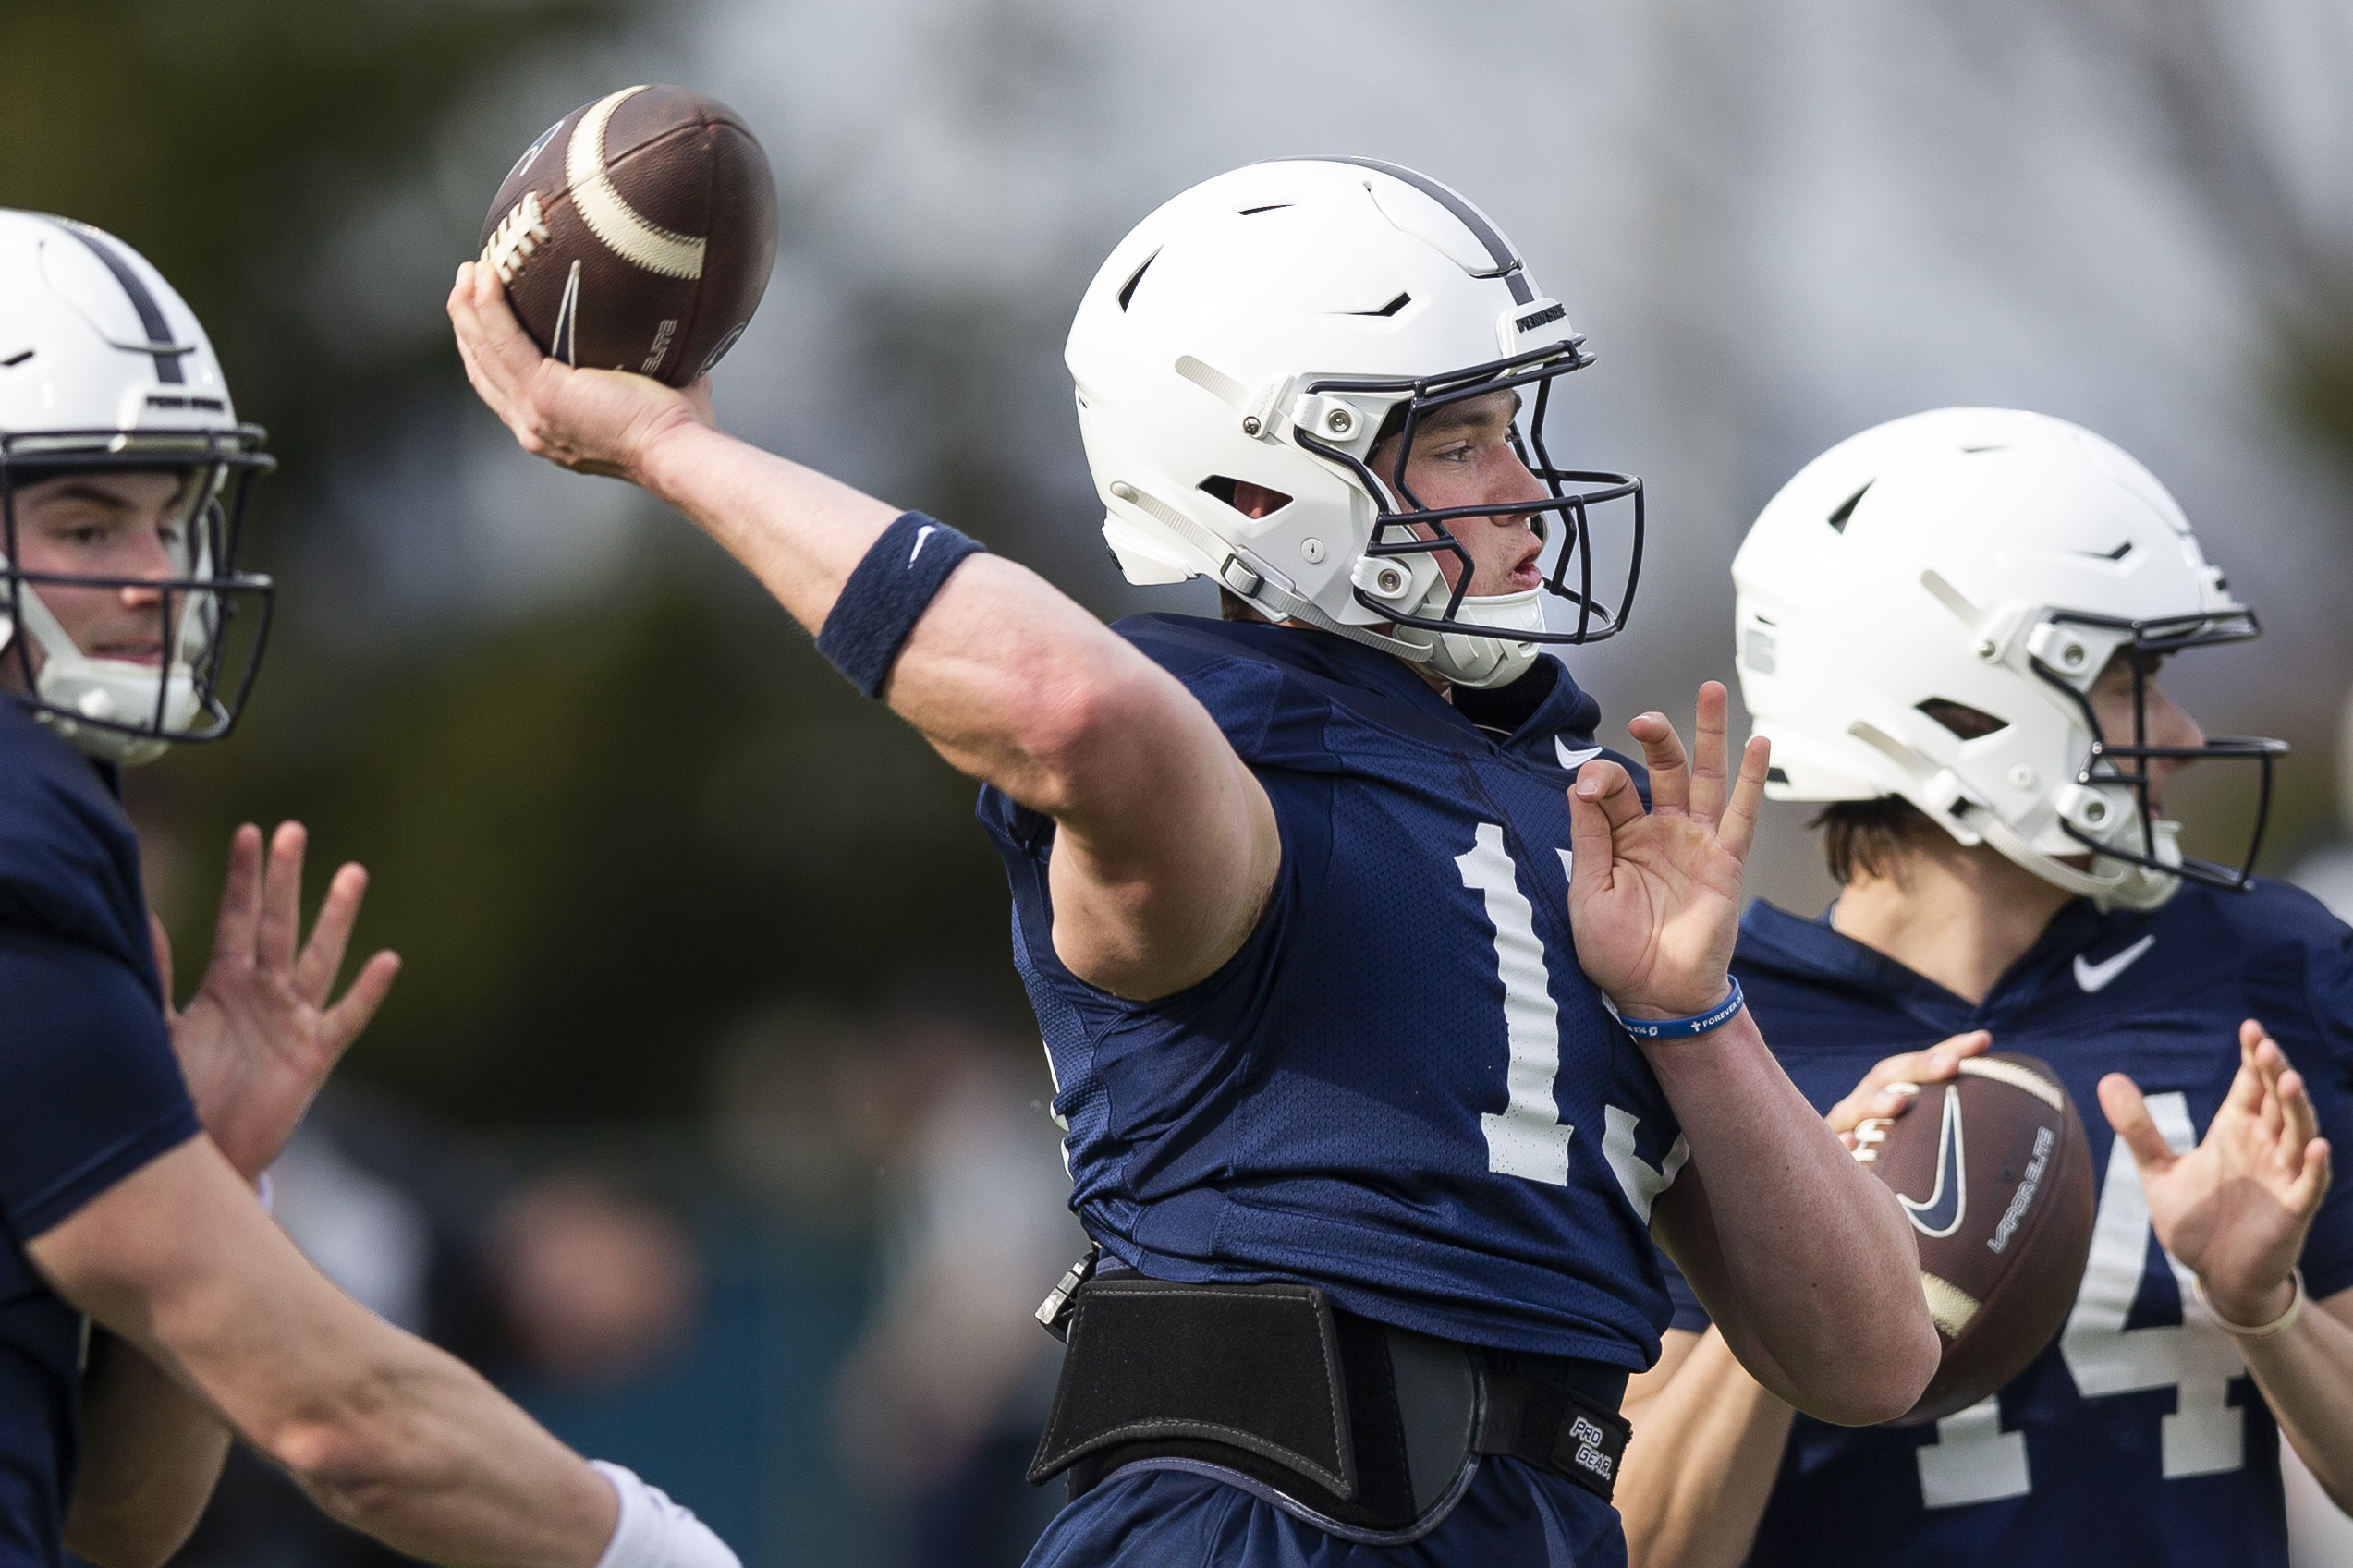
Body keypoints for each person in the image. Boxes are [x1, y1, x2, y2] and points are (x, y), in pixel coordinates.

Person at [448, 156, 1939, 1566]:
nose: (1527, 489)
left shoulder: (1591, 820)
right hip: (1261, 1522)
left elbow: (1874, 1350)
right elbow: (1071, 706)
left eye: (1516, 430)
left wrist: (1694, 1013)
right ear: (1253, 486)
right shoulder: (1238, 753)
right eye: (1461, 439)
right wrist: (673, 446)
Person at [0, 209, 738, 1568]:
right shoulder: (24, 821)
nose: (157, 583)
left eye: (170, 522)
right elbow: (344, 1422)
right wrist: (657, 1550)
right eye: (91, 522)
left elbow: (111, 1521)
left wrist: (213, 1174)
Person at [1613, 407, 2353, 1568]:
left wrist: (2263, 1304)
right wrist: (1804, 1235)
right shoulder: (1705, 1041)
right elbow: (1644, 1548)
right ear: (1955, 710)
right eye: (2122, 681)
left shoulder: (2266, 972)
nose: (2180, 729)